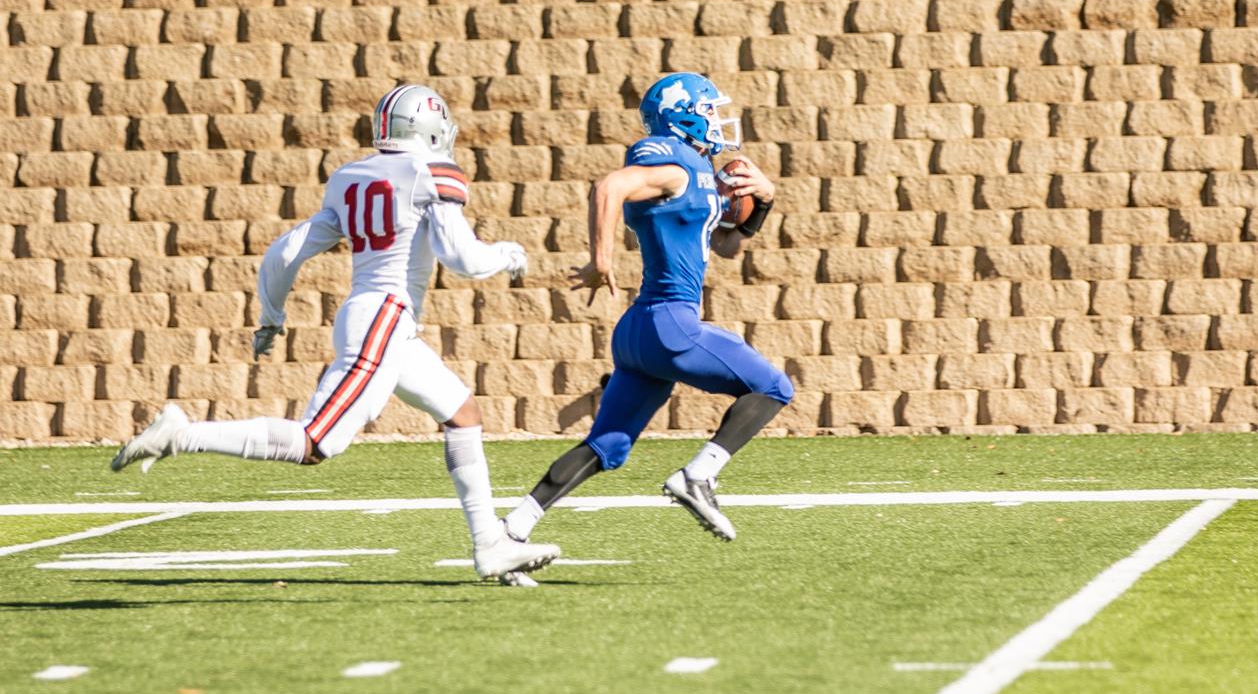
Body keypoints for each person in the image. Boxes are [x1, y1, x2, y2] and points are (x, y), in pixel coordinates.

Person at [111, 84, 560, 584]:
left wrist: (272, 315)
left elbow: (286, 251)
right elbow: (464, 259)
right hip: (386, 318)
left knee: (461, 412)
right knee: (315, 443)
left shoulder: (350, 178)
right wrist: (508, 254)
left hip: (377, 317)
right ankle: (183, 434)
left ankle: (490, 545)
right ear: (431, 127)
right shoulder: (432, 173)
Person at [502, 72, 792, 546]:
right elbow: (609, 187)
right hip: (670, 326)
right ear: (685, 117)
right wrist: (602, 260)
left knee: (606, 447)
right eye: (708, 110)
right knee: (774, 387)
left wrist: (763, 200)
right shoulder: (674, 166)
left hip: (638, 332)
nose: (716, 120)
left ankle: (512, 530)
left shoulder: (691, 175)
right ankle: (699, 476)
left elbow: (727, 245)